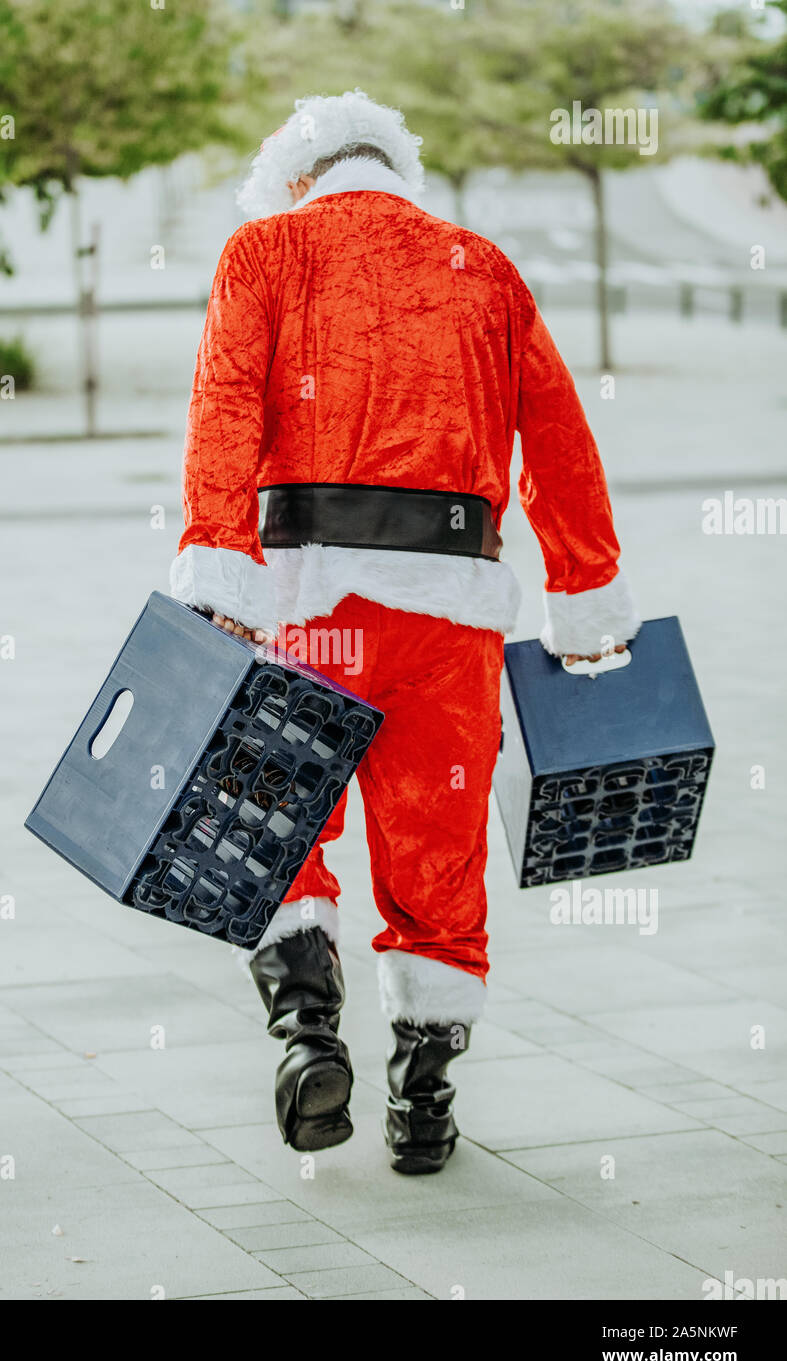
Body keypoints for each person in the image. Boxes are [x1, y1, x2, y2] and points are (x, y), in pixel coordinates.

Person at [170, 90, 640, 1174]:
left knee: (274, 814)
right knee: (436, 845)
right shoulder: (485, 268)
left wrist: (219, 563)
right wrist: (583, 592)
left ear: (299, 176)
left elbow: (224, 409)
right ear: (394, 169)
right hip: (448, 616)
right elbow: (560, 440)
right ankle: (424, 1097)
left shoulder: (264, 252)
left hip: (305, 607)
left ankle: (303, 1034)